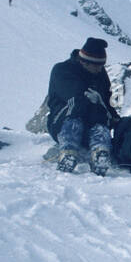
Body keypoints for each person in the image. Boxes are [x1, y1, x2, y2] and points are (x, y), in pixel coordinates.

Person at [46, 37, 119, 175]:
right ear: (84, 62)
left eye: (101, 65)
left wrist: (114, 117)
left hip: (89, 123)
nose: (100, 69)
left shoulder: (100, 73)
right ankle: (68, 152)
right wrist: (96, 102)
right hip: (62, 122)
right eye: (97, 66)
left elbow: (106, 99)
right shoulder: (62, 70)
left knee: (99, 114)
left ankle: (100, 152)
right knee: (77, 107)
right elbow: (75, 96)